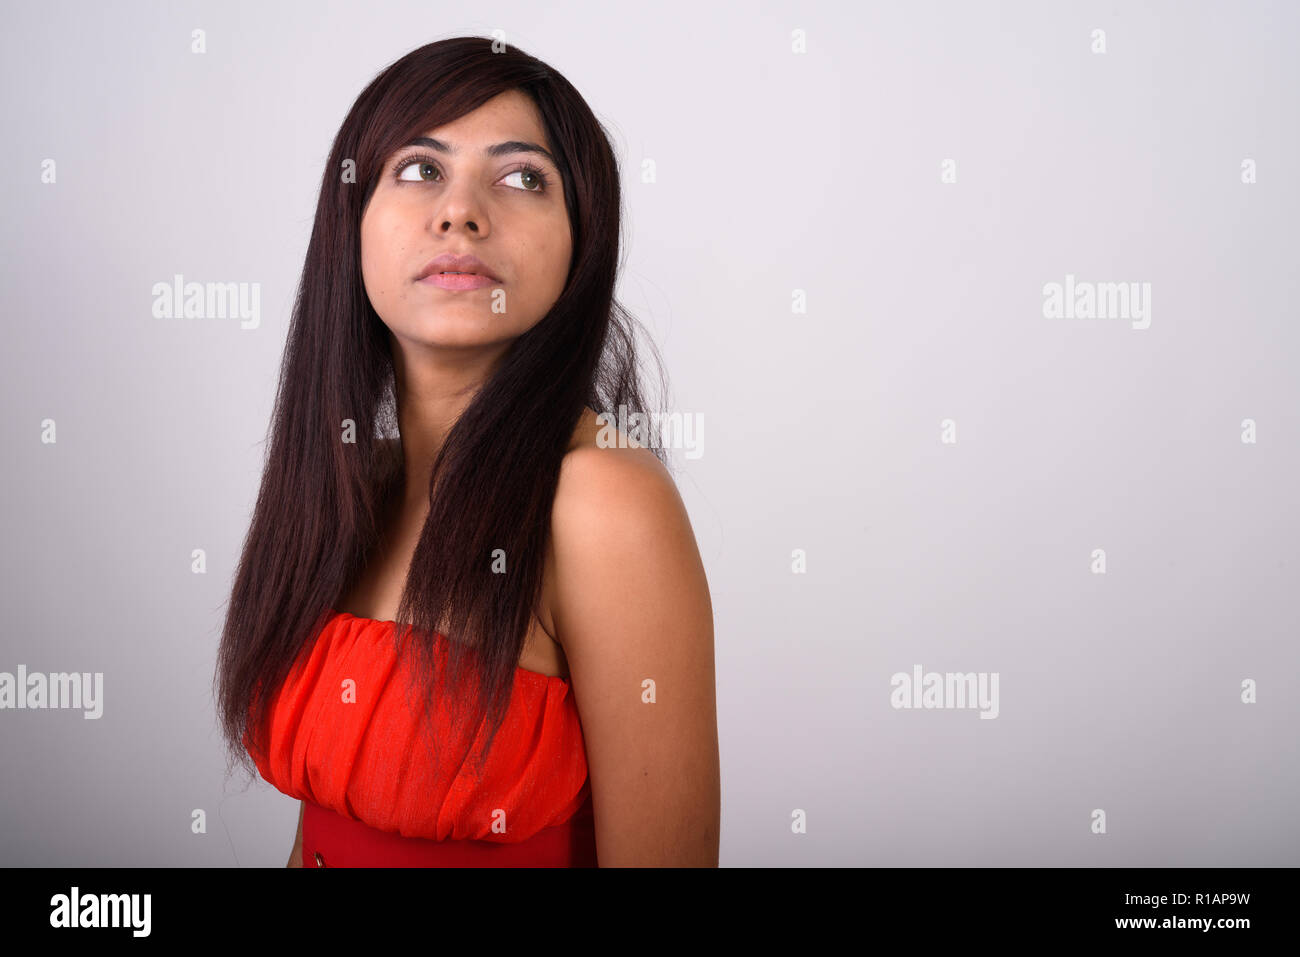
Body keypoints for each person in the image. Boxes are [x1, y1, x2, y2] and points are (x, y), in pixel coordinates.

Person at [213, 36, 719, 867]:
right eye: (419, 169)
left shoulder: (601, 501)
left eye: (523, 177)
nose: (461, 212)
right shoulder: (349, 482)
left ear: (580, 243)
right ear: (353, 222)